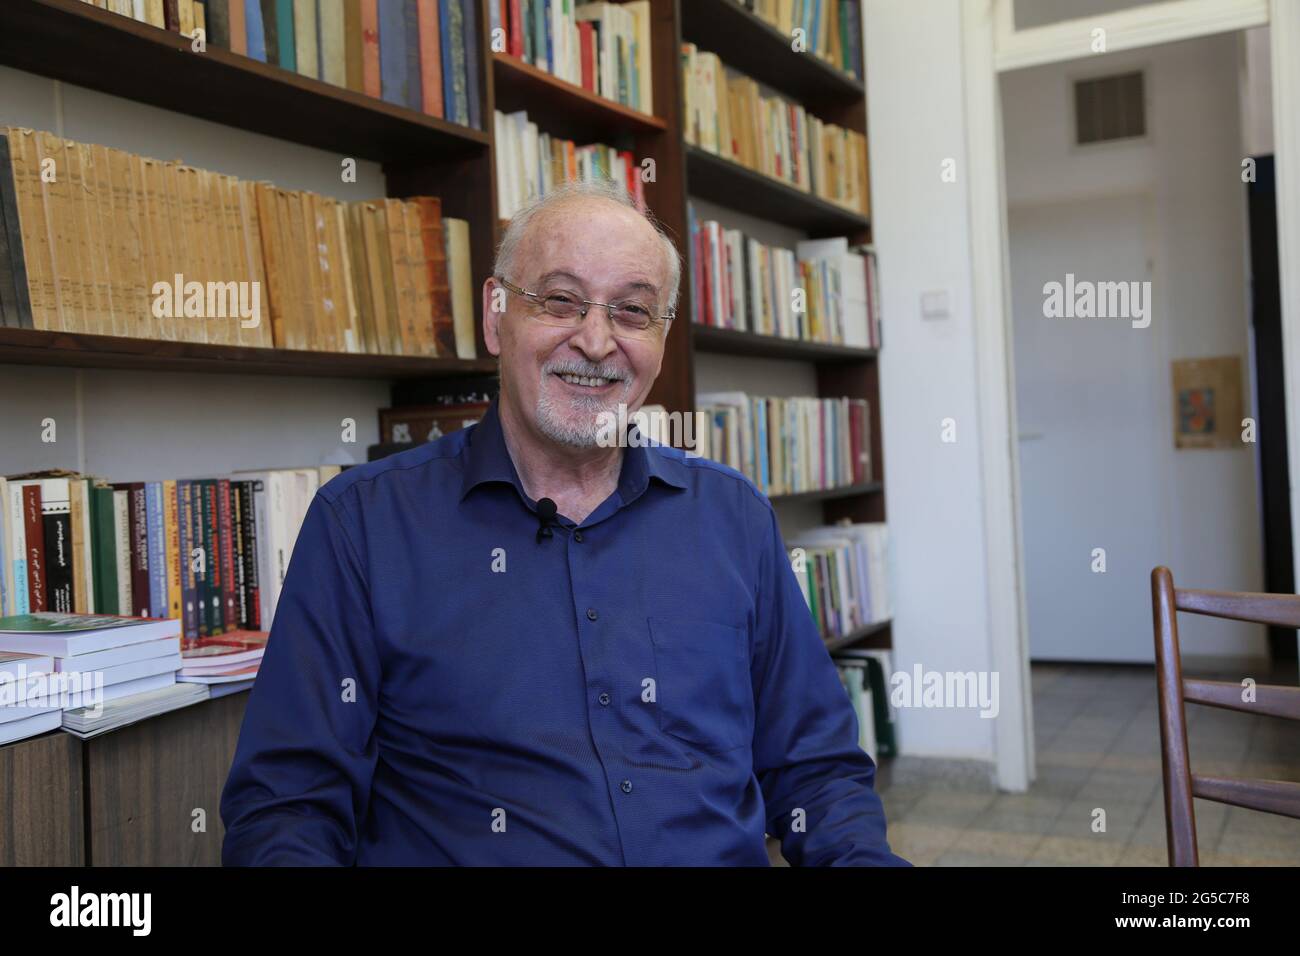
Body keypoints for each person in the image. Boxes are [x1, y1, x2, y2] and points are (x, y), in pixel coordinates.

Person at [220, 180, 908, 866]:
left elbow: (815, 771)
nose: (597, 340)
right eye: (560, 301)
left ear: (662, 339)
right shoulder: (362, 525)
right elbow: (288, 808)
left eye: (634, 311)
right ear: (496, 316)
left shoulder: (733, 518)